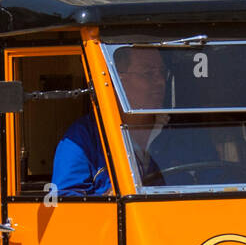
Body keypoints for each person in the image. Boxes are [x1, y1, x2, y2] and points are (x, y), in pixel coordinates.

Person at [52, 46, 215, 195]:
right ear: (118, 80)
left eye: (162, 73)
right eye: (148, 73)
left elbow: (220, 182)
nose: (160, 82)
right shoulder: (83, 137)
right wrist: (107, 201)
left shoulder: (188, 133)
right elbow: (65, 200)